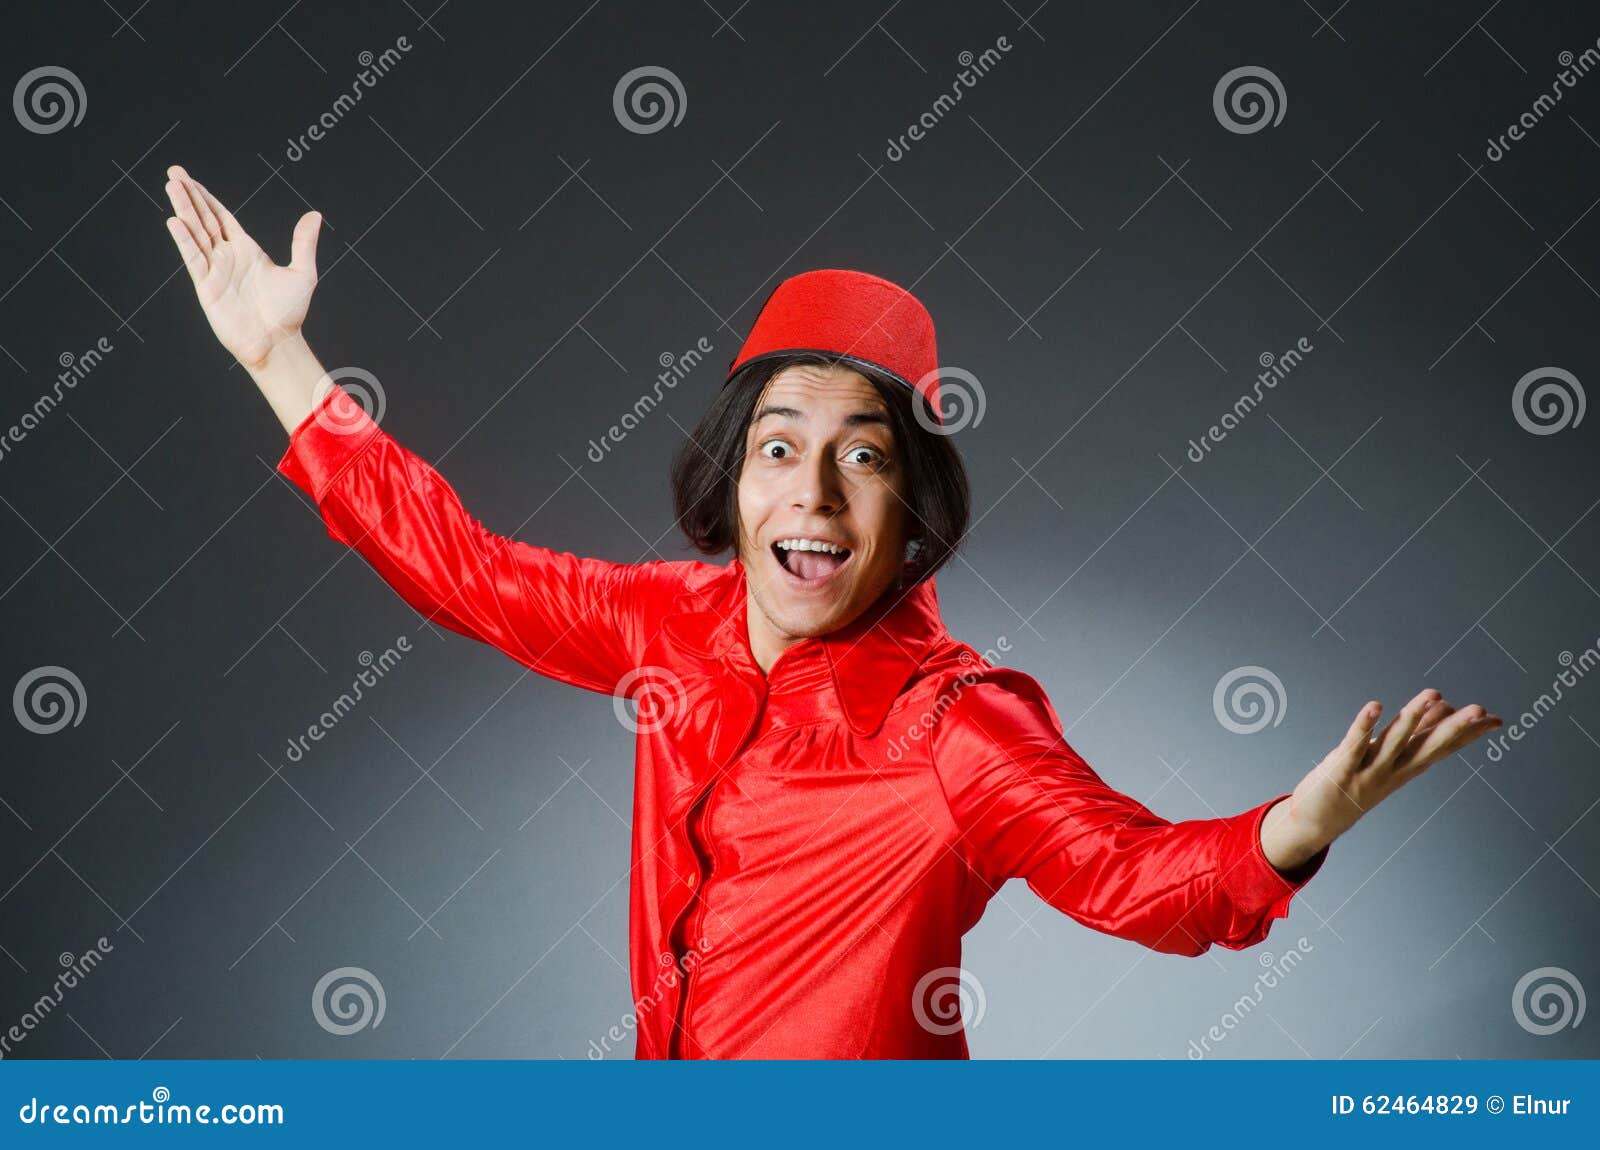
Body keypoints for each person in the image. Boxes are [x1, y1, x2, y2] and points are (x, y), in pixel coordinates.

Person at [161, 164, 1504, 1059]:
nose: (816, 492)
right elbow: (454, 561)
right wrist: (280, 355)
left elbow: (1136, 877)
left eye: (864, 454)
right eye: (780, 447)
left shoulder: (955, 724)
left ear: (911, 501)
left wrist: (1297, 823)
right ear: (731, 475)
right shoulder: (665, 623)